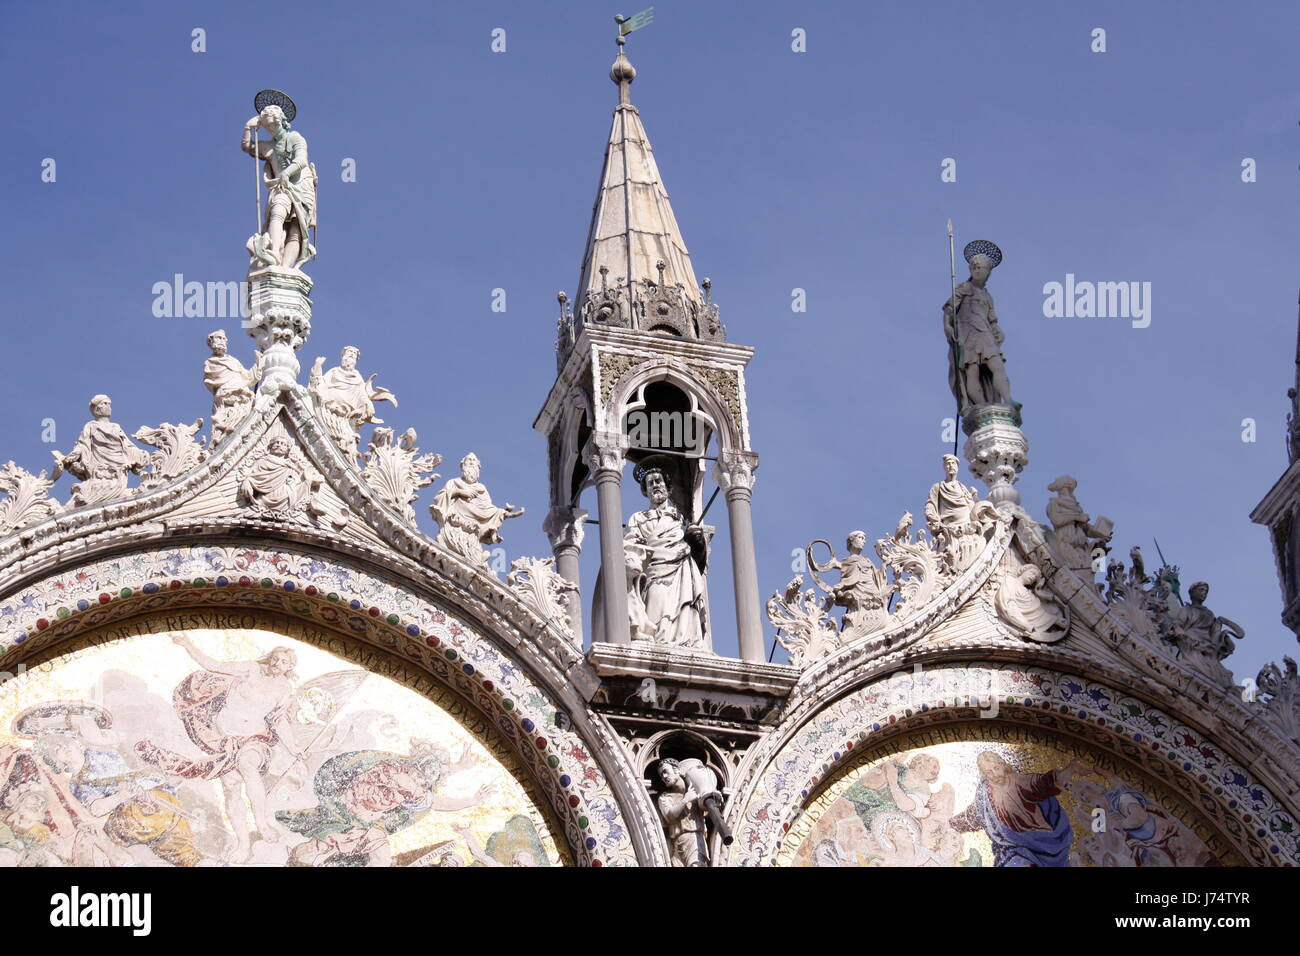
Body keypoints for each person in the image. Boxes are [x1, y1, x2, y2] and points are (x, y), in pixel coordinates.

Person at [135, 637, 298, 861]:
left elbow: (279, 721)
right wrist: (187, 644)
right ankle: (242, 843)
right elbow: (214, 666)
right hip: (224, 740)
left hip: (255, 738)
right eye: (275, 659)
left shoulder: (284, 689)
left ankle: (262, 823)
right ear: (270, 658)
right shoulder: (251, 669)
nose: (277, 665)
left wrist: (294, 748)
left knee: (247, 764)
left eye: (283, 663)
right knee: (231, 790)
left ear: (290, 667)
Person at [625, 466, 708, 648]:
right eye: (650, 483)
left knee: (686, 607)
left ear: (667, 487)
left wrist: (697, 541)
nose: (655, 485)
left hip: (681, 569)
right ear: (645, 491)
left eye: (658, 481)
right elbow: (630, 546)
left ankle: (686, 642)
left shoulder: (681, 519)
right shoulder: (638, 518)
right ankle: (659, 644)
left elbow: (699, 560)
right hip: (654, 570)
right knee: (657, 603)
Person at [242, 104, 316, 268]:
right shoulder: (268, 146)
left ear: (281, 121)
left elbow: (302, 160)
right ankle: (274, 252)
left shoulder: (295, 137)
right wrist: (248, 127)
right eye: (267, 126)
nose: (271, 129)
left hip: (302, 185)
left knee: (297, 230)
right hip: (282, 186)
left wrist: (286, 173)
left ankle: (285, 268)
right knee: (278, 209)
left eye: (273, 124)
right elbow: (247, 146)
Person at [943, 251, 1010, 408]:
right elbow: (949, 309)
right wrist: (947, 326)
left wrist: (997, 330)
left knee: (997, 366)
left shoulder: (987, 296)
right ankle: (981, 406)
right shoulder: (964, 288)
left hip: (985, 334)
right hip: (968, 335)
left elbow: (992, 320)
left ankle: (1008, 402)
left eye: (981, 268)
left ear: (988, 272)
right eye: (974, 267)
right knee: (971, 372)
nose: (977, 270)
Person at [203, 329, 261, 446]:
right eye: (219, 338)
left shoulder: (233, 361)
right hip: (227, 399)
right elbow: (211, 381)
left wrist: (259, 363)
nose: (222, 341)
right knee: (228, 429)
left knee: (244, 424)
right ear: (211, 342)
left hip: (243, 398)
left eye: (224, 339)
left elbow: (248, 378)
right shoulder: (210, 363)